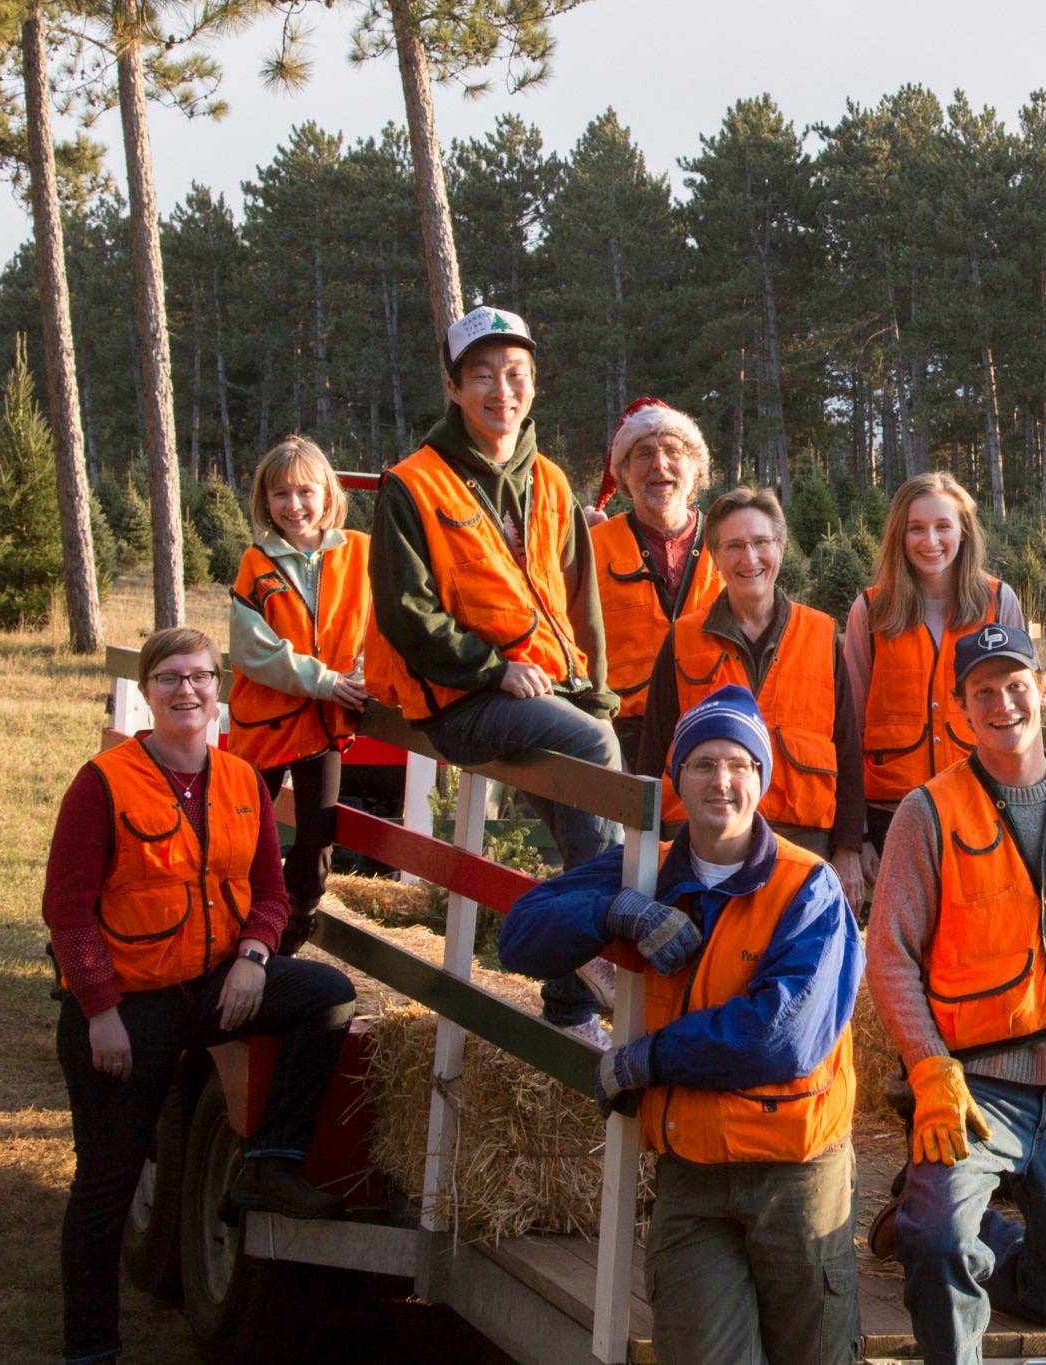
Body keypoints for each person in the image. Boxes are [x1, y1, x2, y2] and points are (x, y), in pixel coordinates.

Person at [498, 684, 864, 1365]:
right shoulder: (646, 867)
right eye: (702, 763)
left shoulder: (808, 887)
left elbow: (779, 1037)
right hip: (692, 1176)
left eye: (738, 763)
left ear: (761, 777)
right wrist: (616, 913)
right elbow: (519, 937)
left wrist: (648, 1059)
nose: (721, 780)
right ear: (677, 776)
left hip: (798, 1178)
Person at [45, 627, 357, 1365]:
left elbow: (273, 893)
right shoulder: (104, 782)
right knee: (107, 1184)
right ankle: (90, 1350)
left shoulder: (243, 778)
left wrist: (254, 956)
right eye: (170, 678)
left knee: (328, 994)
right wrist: (99, 1010)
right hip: (128, 1005)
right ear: (150, 692)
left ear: (220, 690)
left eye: (202, 677)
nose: (188, 690)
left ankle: (269, 1163)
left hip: (217, 981)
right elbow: (67, 909)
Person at [865, 624, 1046, 1365]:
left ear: (1044, 686)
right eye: (983, 691)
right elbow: (890, 956)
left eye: (1015, 683)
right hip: (975, 1089)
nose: (1003, 703)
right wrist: (931, 1068)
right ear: (958, 709)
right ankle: (932, 1233)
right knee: (935, 1239)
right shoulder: (926, 812)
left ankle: (957, 1222)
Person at [366, 304, 625, 1032]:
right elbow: (405, 613)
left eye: (515, 375)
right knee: (595, 758)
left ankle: (572, 1007)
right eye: (481, 375)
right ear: (453, 387)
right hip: (458, 700)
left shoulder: (550, 483)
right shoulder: (412, 485)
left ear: (533, 386)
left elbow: (581, 603)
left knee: (593, 804)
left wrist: (595, 692)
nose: (500, 390)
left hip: (549, 690)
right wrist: (490, 668)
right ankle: (604, 948)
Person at [636, 487, 868, 906]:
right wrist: (643, 847)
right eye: (735, 546)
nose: (750, 559)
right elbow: (652, 753)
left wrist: (849, 848)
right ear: (715, 556)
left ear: (780, 547)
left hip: (800, 844)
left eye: (761, 543)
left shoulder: (820, 634)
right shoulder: (683, 637)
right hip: (700, 843)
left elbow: (848, 749)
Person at [228, 436, 372, 953]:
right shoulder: (256, 564)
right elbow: (254, 650)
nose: (294, 506)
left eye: (305, 492)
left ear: (328, 494)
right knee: (246, 834)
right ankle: (232, 929)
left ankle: (287, 935)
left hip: (324, 728)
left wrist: (363, 670)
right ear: (264, 502)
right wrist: (327, 681)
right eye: (280, 494)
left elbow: (380, 626)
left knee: (317, 835)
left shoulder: (359, 553)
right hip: (263, 725)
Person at [846, 472, 1025, 870]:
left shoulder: (999, 602)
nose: (930, 541)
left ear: (963, 531)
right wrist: (855, 836)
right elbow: (849, 726)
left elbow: (1023, 722)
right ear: (899, 535)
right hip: (889, 814)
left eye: (943, 526)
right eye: (916, 529)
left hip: (982, 804)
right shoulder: (871, 611)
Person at [587, 398, 723, 769]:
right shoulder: (591, 548)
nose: (659, 464)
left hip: (714, 735)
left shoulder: (729, 542)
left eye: (673, 451)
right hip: (617, 742)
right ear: (624, 473)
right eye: (643, 454)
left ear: (696, 469)